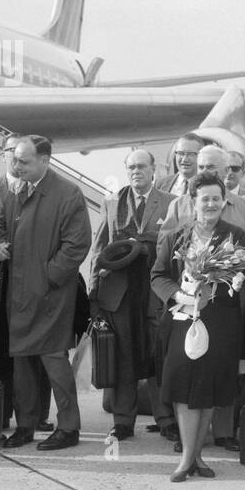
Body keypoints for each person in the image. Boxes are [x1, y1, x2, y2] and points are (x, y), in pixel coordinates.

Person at [151, 174, 245, 481]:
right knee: (183, 386)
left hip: (220, 321)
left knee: (209, 386)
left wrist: (235, 279)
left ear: (224, 201)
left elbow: (244, 271)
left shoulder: (234, 236)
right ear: (193, 202)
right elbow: (158, 275)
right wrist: (180, 295)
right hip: (183, 319)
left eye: (216, 198)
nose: (211, 204)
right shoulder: (176, 237)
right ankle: (187, 459)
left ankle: (196, 457)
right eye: (205, 198)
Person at [0, 136, 92, 449]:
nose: (17, 166)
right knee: (22, 362)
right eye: (15, 159)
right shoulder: (16, 191)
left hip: (51, 295)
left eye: (24, 161)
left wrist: (47, 277)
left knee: (54, 360)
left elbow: (77, 244)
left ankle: (69, 427)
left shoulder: (67, 193)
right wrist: (1, 245)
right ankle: (25, 425)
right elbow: (2, 227)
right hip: (20, 293)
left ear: (45, 160)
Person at [88, 149, 175, 441]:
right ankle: (123, 421)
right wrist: (93, 290)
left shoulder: (170, 202)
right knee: (122, 354)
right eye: (131, 167)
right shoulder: (112, 201)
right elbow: (100, 247)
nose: (136, 172)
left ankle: (166, 420)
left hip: (154, 289)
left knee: (157, 353)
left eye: (141, 166)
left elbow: (175, 243)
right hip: (120, 291)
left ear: (153, 170)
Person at [0, 135, 51, 429]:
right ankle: (2, 413)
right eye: (10, 151)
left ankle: (37, 415)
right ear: (3, 154)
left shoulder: (39, 188)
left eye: (21, 154)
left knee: (35, 351)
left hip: (33, 282)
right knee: (1, 351)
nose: (15, 158)